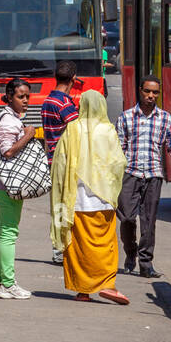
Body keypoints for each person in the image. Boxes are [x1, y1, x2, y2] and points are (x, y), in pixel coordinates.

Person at [52, 90, 130, 305]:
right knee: (105, 245)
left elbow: (60, 164)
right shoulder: (107, 131)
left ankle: (83, 291)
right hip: (102, 200)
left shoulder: (72, 130)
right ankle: (107, 284)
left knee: (77, 248)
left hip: (75, 199)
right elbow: (118, 163)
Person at [116, 75, 171, 279]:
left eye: (155, 92)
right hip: (130, 174)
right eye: (147, 91)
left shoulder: (165, 118)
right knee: (127, 218)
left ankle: (146, 263)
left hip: (154, 175)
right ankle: (130, 252)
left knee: (148, 221)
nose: (151, 96)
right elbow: (118, 149)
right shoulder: (126, 117)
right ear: (140, 90)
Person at [0, 79, 34, 299]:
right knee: (9, 234)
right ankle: (7, 283)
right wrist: (28, 135)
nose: (25, 101)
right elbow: (7, 151)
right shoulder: (8, 121)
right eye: (20, 96)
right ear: (9, 96)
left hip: (2, 184)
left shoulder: (8, 118)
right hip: (8, 184)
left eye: (27, 96)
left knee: (3, 232)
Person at [41, 60, 81, 264]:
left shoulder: (48, 100)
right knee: (68, 204)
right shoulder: (64, 104)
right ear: (73, 79)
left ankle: (58, 247)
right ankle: (62, 248)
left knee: (57, 204)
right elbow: (76, 131)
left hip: (52, 159)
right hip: (65, 160)